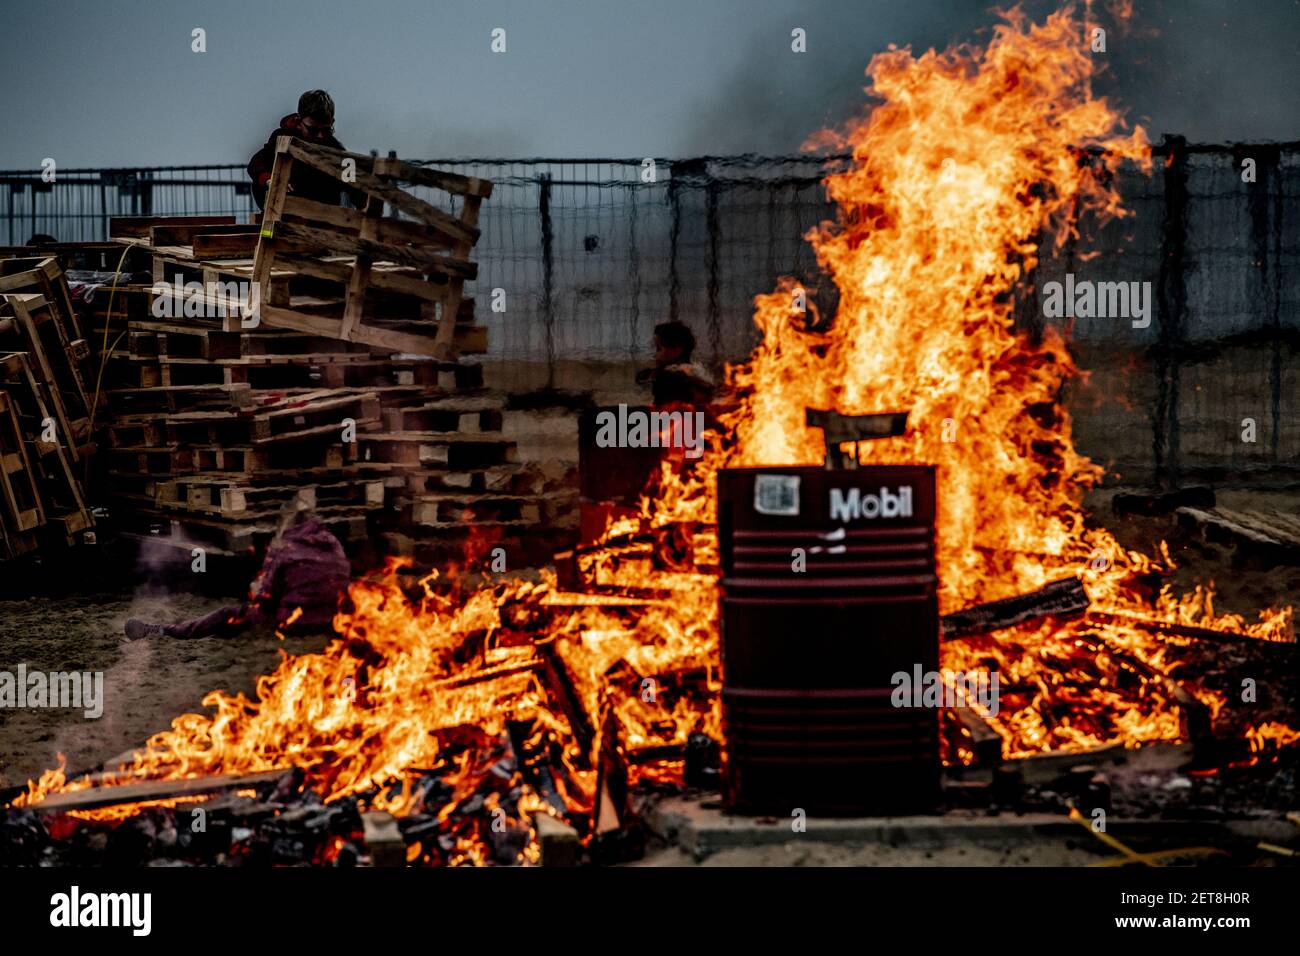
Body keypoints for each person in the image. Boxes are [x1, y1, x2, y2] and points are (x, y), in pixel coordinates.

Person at [125, 497, 350, 640]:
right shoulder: (333, 543)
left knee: (227, 615)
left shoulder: (284, 548)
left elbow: (266, 599)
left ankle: (161, 630)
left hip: (294, 624)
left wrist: (257, 588)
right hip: (333, 622)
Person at [246, 89, 353, 210]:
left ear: (332, 122)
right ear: (298, 122)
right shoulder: (283, 138)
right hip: (285, 205)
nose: (320, 136)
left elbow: (354, 183)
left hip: (320, 209)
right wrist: (270, 180)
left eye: (326, 130)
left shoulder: (335, 148)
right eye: (312, 130)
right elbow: (256, 163)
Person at [636, 320, 715, 405]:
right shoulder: (697, 370)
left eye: (659, 349)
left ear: (677, 350)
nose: (655, 354)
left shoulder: (672, 376)